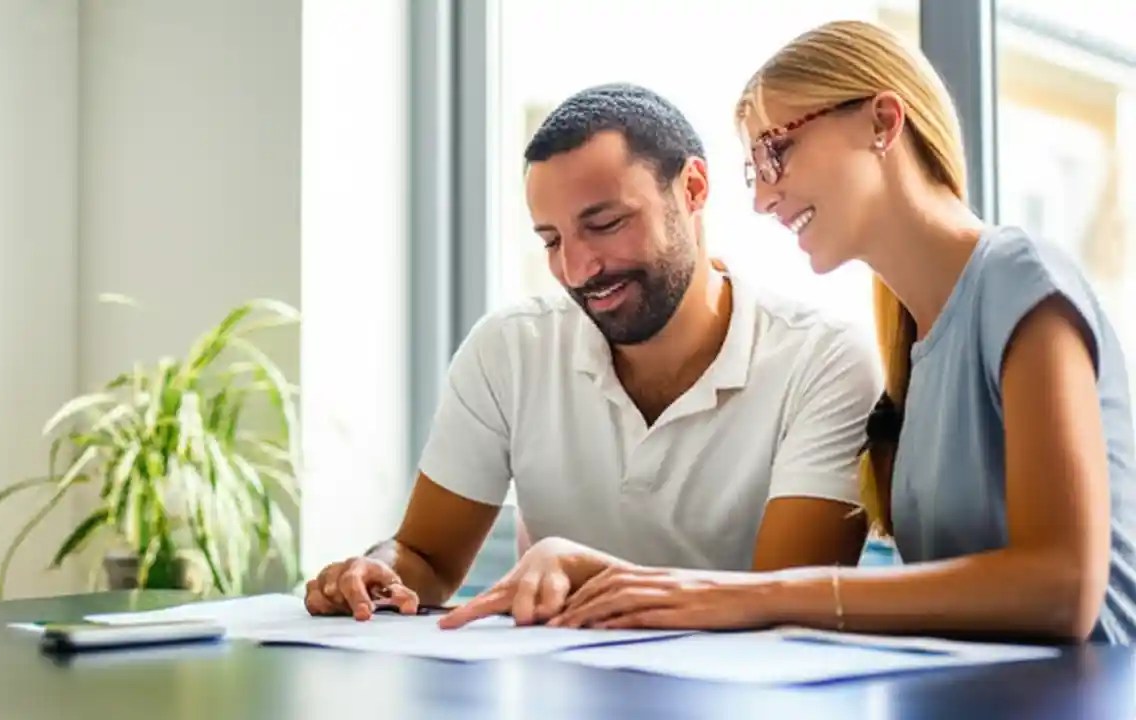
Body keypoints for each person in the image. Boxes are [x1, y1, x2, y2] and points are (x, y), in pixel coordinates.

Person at [463, 19, 1136, 644]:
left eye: (777, 152)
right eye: (755, 171)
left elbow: (1064, 589)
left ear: (882, 121)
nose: (760, 197)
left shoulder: (1019, 278)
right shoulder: (912, 355)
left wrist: (766, 595)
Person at [304, 83, 883, 624]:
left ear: (694, 190)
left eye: (605, 224)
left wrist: (598, 574)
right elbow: (425, 559)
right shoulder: (509, 349)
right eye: (551, 240)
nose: (578, 269)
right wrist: (380, 570)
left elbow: (789, 601)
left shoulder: (823, 358)